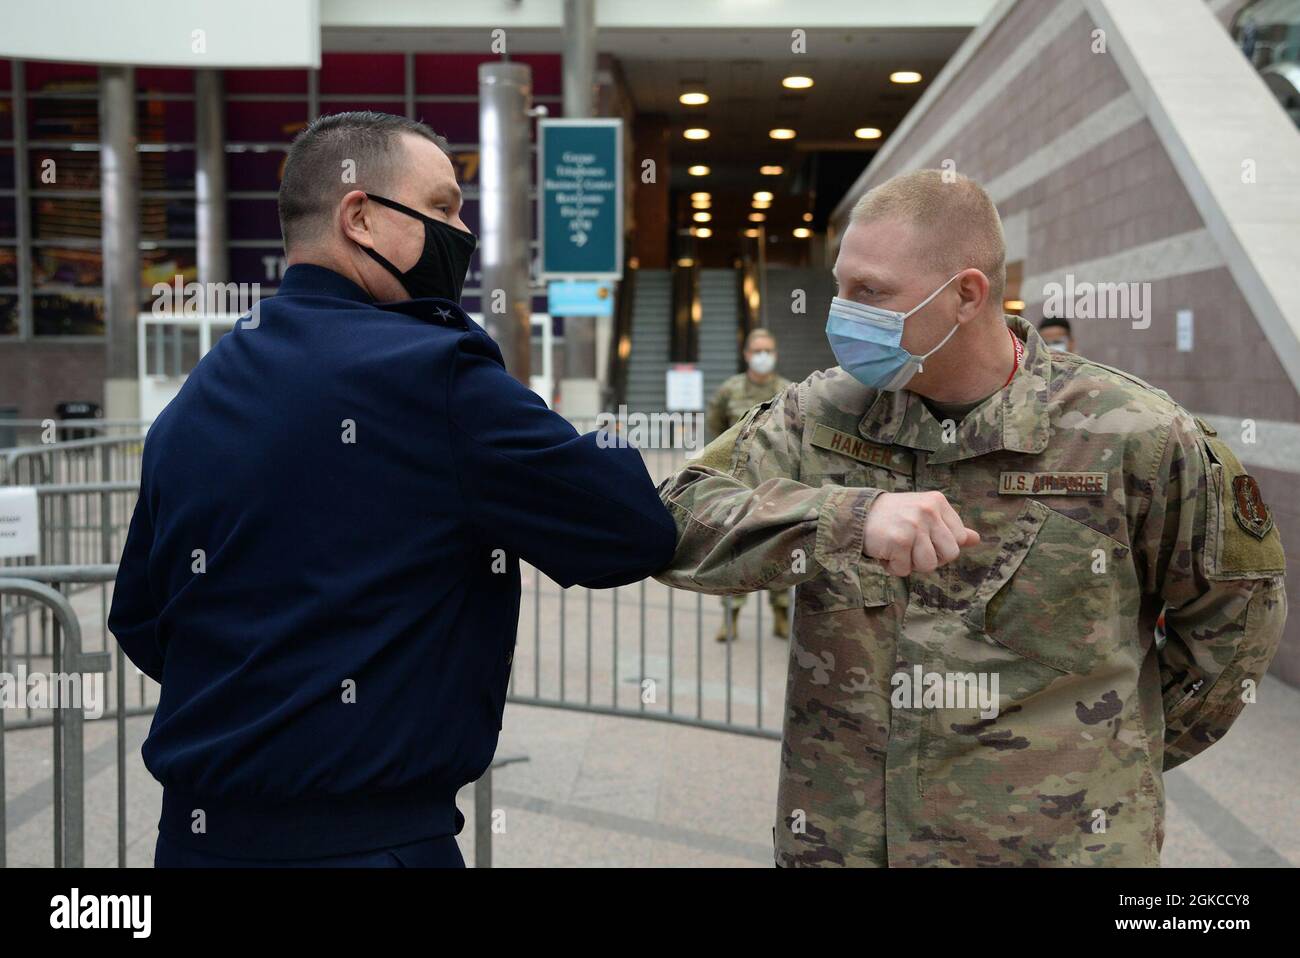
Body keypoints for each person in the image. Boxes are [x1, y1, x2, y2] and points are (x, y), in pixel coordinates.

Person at [655, 169, 1286, 867]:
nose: (840, 313)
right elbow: (676, 519)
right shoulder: (821, 416)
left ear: (965, 295)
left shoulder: (1133, 435)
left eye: (869, 293)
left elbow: (1237, 623)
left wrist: (1104, 758)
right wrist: (844, 519)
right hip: (846, 843)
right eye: (840, 287)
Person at [109, 111, 677, 868]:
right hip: (372, 845)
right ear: (361, 217)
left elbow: (141, 617)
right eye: (442, 207)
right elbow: (631, 528)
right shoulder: (433, 372)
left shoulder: (200, 392)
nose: (462, 231)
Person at [705, 328, 792, 640]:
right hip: (738, 487)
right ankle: (731, 616)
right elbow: (715, 429)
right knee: (734, 553)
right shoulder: (730, 390)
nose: (763, 356)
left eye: (768, 350)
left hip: (778, 485)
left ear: (776, 354)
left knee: (780, 550)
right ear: (746, 355)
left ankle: (781, 613)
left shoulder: (788, 391)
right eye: (757, 351)